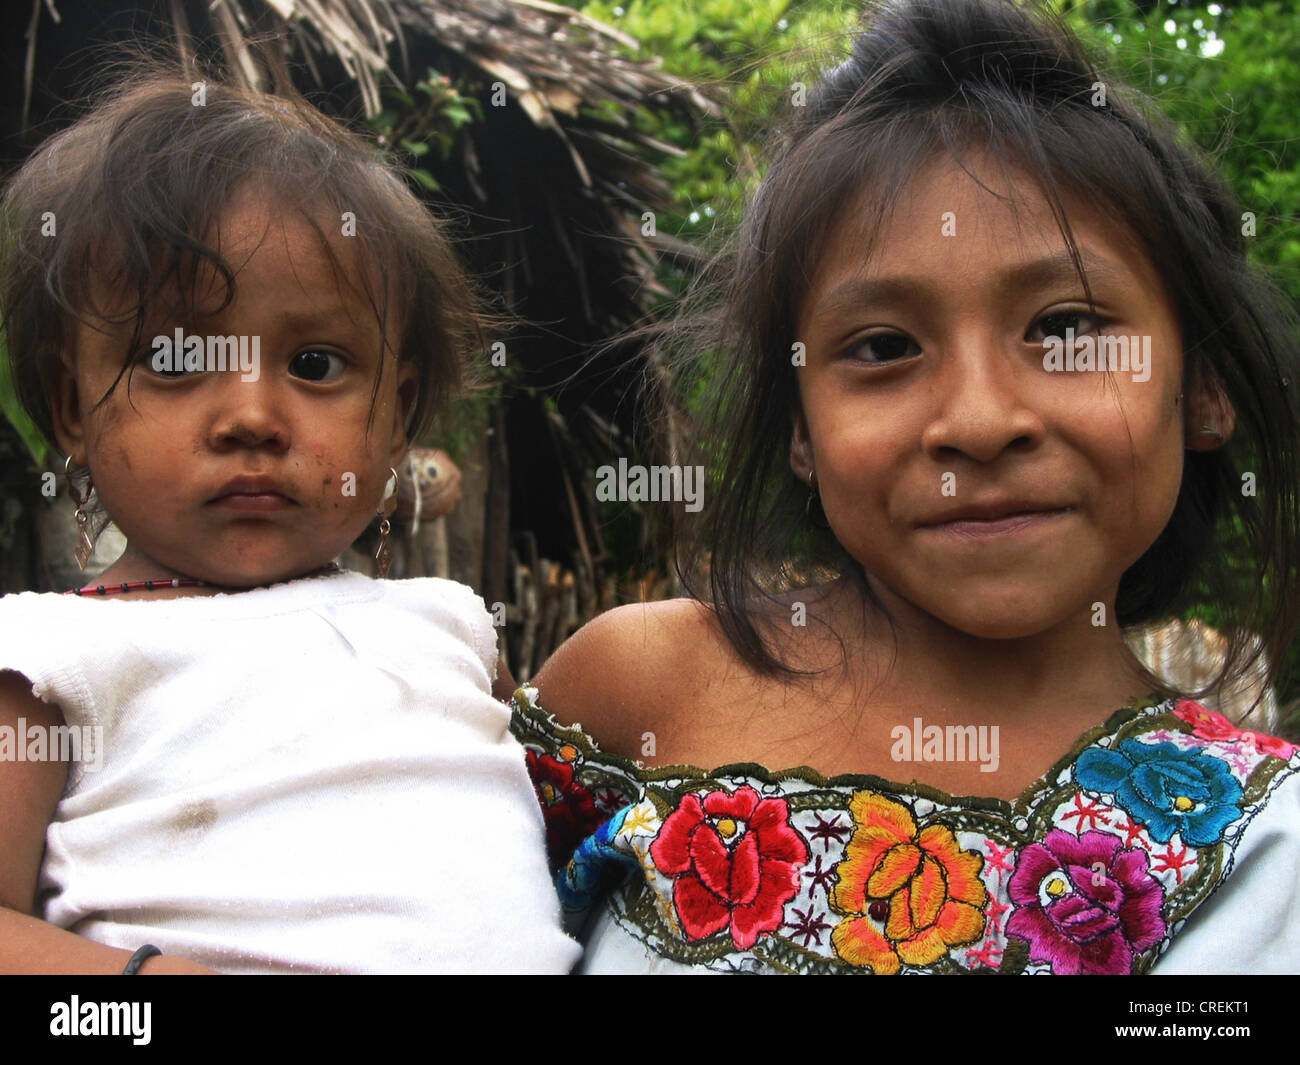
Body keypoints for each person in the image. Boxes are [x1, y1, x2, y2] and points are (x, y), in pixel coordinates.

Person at [511, 0, 1300, 974]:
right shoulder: (638, 689)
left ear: (1204, 387)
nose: (976, 420)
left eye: (1064, 330)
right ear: (800, 428)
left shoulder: (1267, 845)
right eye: (882, 347)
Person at [0, 67, 578, 974]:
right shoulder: (46, 656)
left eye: (315, 362)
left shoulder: (451, 624)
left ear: (396, 414)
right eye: (177, 356)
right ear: (72, 408)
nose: (253, 416)